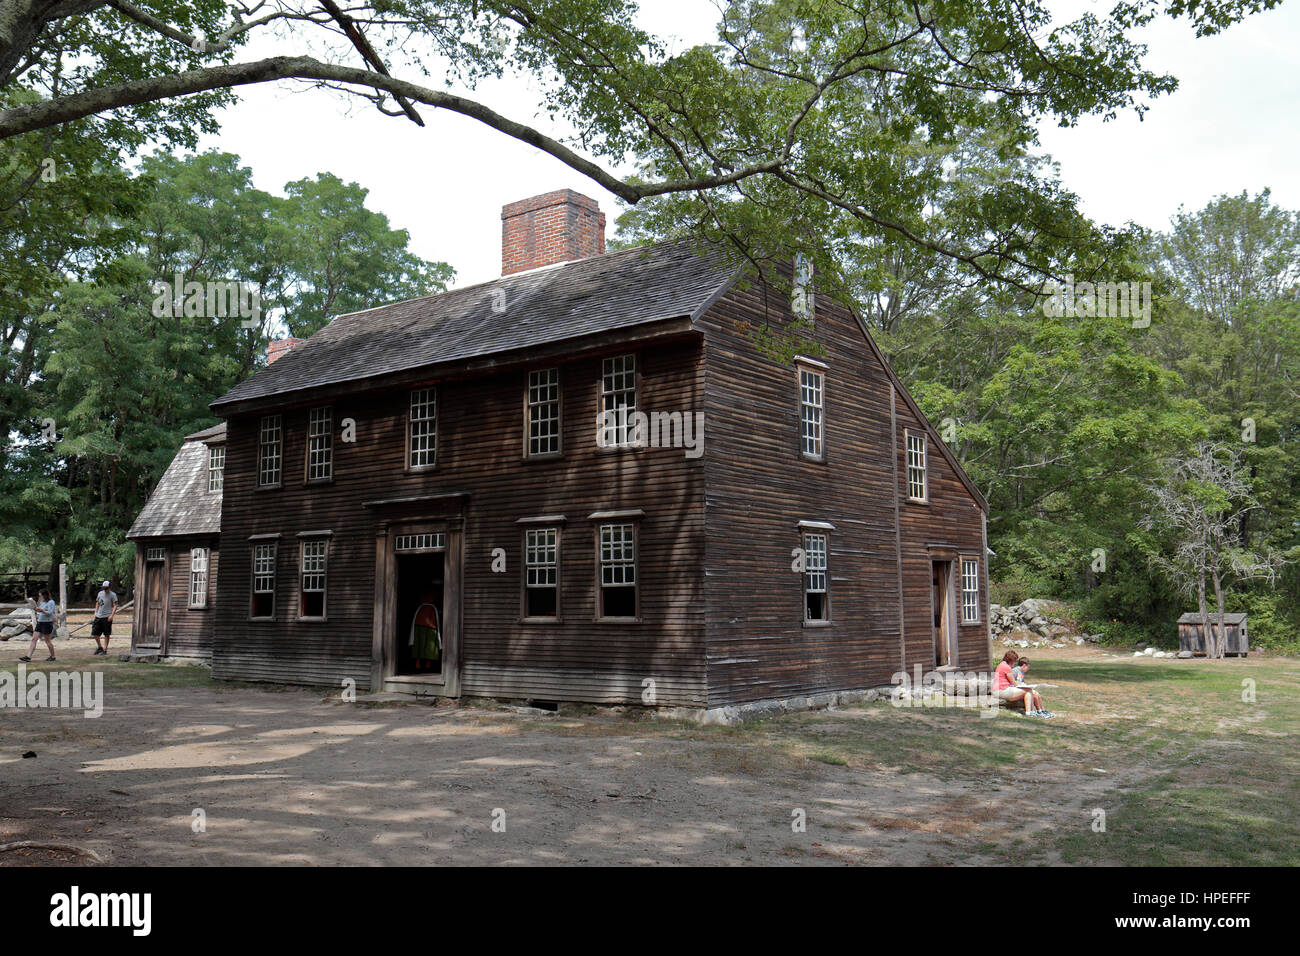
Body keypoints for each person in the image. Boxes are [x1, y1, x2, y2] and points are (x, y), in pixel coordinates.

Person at [994, 650, 1050, 717]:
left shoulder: (1002, 664)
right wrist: (1023, 686)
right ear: (1010, 660)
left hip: (1002, 689)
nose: (1015, 663)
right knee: (1028, 690)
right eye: (1014, 661)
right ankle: (1030, 712)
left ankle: (1034, 711)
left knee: (1029, 691)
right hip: (1002, 690)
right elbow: (1014, 683)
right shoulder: (1007, 667)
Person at [19, 589, 57, 663]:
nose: (40, 597)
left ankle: (53, 656)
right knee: (34, 639)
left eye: (41, 595)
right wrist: (34, 605)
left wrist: (41, 610)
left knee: (47, 641)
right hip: (40, 622)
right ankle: (28, 657)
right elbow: (38, 609)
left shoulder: (51, 602)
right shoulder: (42, 602)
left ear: (45, 595)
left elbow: (49, 613)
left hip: (47, 623)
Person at [91, 580, 118, 656]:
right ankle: (100, 647)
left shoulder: (113, 595)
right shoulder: (100, 593)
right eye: (104, 588)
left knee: (106, 634)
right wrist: (95, 612)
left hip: (107, 616)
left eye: (106, 588)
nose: (105, 590)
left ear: (109, 587)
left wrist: (111, 615)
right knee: (95, 633)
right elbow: (97, 602)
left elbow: (115, 605)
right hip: (99, 616)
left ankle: (105, 649)